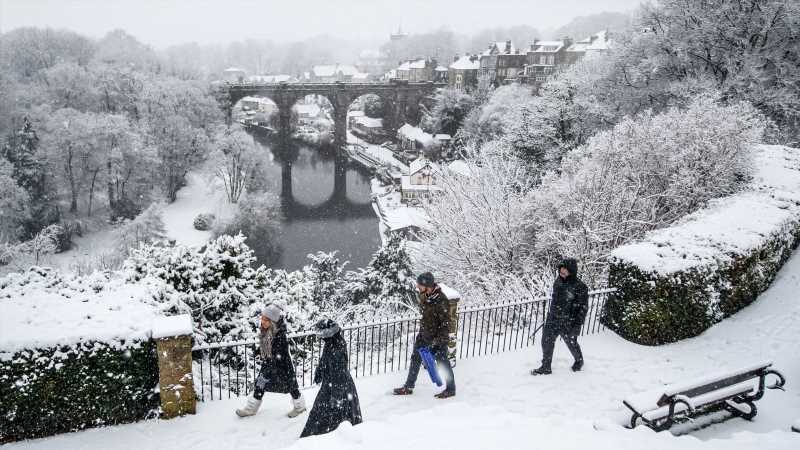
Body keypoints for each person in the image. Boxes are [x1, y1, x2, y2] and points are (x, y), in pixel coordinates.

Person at [236, 303, 307, 418]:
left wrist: (270, 362)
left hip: (282, 367)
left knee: (292, 387)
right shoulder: (267, 331)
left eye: (266, 320)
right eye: (262, 318)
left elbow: (278, 353)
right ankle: (250, 409)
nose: (262, 321)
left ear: (273, 321)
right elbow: (267, 348)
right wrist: (260, 353)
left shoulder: (279, 336)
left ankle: (300, 407)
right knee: (260, 385)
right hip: (269, 365)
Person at [393, 272, 456, 399]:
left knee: (443, 363)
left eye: (420, 285)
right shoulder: (424, 296)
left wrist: (438, 341)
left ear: (427, 285)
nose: (418, 287)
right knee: (415, 359)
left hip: (437, 338)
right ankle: (408, 387)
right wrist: (423, 332)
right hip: (424, 335)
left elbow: (446, 323)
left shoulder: (441, 300)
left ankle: (450, 389)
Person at [300, 319, 362, 438]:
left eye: (321, 335)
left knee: (330, 414)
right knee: (324, 411)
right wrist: (319, 371)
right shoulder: (332, 342)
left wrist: (336, 397)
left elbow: (339, 374)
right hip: (333, 384)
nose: (320, 338)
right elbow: (325, 358)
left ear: (327, 334)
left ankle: (329, 438)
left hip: (337, 387)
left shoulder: (336, 349)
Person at [532, 258, 589, 375]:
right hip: (553, 318)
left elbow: (583, 308)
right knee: (546, 341)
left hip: (569, 321)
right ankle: (546, 366)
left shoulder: (580, 287)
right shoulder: (558, 281)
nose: (561, 273)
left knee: (571, 342)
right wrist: (551, 313)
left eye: (564, 271)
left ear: (571, 272)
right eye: (560, 270)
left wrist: (577, 324)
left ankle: (579, 361)